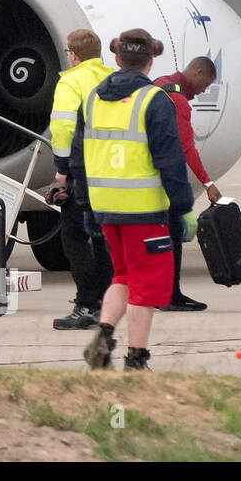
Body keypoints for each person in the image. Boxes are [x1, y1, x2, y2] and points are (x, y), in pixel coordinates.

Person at [71, 29, 195, 371]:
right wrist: (183, 207)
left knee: (122, 275)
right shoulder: (154, 100)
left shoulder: (93, 98)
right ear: (151, 59)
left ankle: (104, 337)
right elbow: (169, 159)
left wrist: (84, 203)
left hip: (105, 208)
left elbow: (77, 157)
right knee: (146, 287)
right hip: (143, 211)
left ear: (116, 57)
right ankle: (136, 358)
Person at [49, 29, 115, 330]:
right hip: (114, 170)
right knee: (103, 237)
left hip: (82, 170)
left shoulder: (71, 81)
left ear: (73, 54)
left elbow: (63, 129)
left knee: (74, 237)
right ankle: (104, 301)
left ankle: (85, 303)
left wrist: (62, 170)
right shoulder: (112, 79)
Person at [154, 56, 223, 312]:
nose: (204, 90)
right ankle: (171, 295)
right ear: (197, 71)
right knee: (172, 235)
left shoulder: (157, 86)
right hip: (162, 181)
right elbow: (186, 148)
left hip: (133, 180)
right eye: (206, 83)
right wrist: (208, 183)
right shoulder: (177, 100)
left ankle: (149, 293)